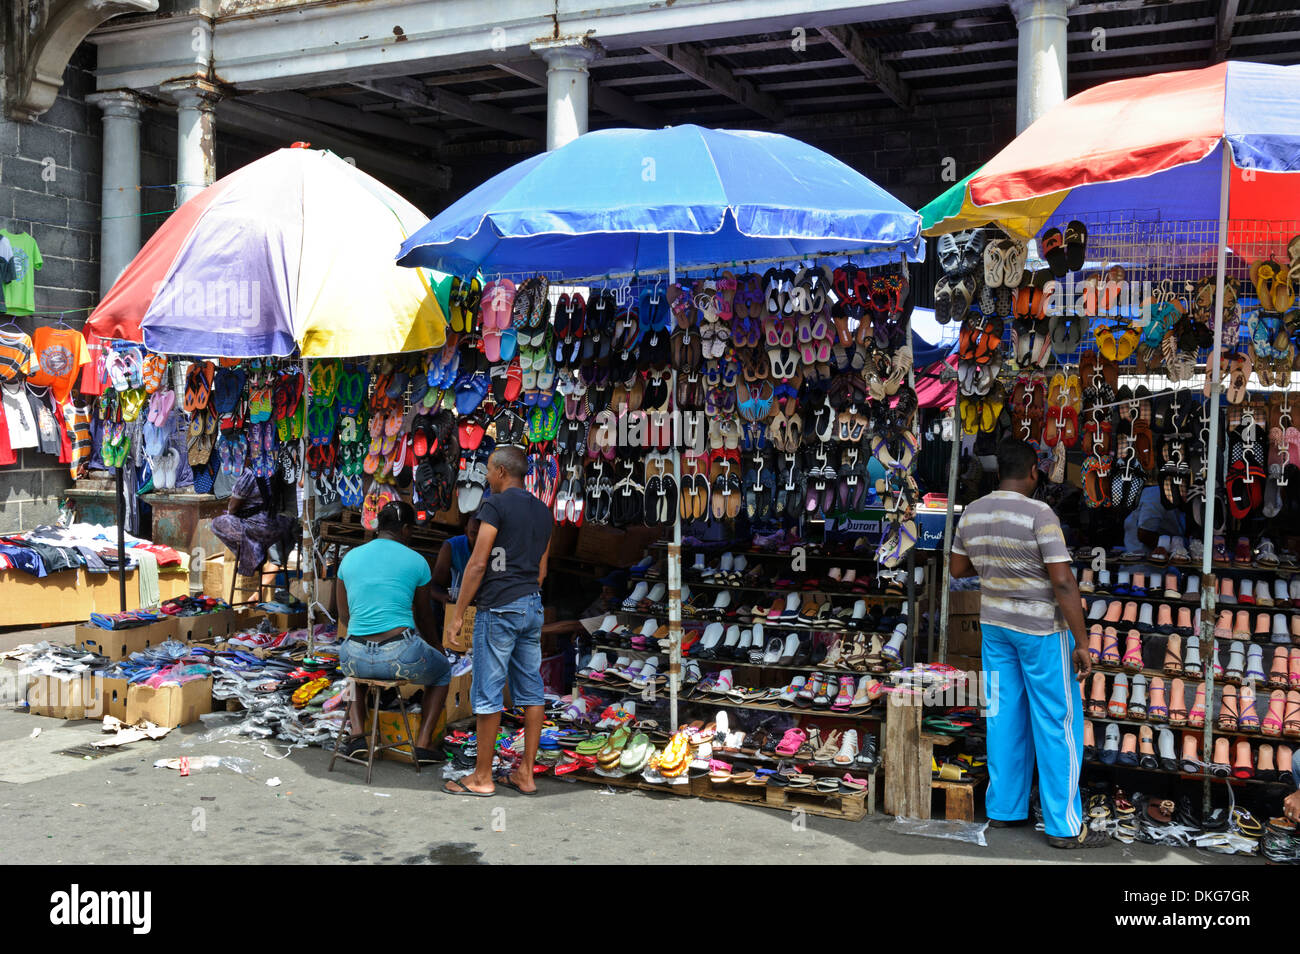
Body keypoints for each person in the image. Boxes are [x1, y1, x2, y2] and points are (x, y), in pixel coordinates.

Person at [949, 439, 1104, 849]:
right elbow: (1063, 581)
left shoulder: (975, 511)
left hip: (996, 627)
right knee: (1056, 722)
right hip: (1041, 631)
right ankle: (1064, 826)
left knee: (1004, 717)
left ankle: (1004, 809)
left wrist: (995, 562)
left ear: (1000, 472)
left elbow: (958, 567)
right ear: (1034, 472)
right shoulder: (1040, 513)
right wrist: (1083, 641)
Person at [443, 446, 553, 796]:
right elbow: (542, 571)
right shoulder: (543, 511)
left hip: (500, 607)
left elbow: (477, 563)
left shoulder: (494, 505)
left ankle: (481, 777)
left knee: (488, 693)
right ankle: (526, 774)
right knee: (532, 691)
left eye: (489, 470)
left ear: (502, 472)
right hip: (532, 606)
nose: (487, 476)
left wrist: (458, 615)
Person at [335, 500, 450, 763]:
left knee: (354, 675)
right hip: (399, 655)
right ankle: (422, 745)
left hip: (353, 655)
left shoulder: (349, 558)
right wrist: (437, 648)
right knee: (442, 670)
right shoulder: (417, 561)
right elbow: (424, 616)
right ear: (407, 529)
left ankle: (357, 735)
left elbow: (343, 615)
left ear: (378, 526)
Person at [211, 468, 298, 578]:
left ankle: (251, 555)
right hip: (283, 525)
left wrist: (231, 512)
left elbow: (233, 506)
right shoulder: (277, 469)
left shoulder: (250, 473)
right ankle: (254, 550)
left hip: (261, 526)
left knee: (217, 523)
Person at [1121, 483, 1185, 560]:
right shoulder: (1157, 494)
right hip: (1144, 564)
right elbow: (1144, 534)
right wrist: (1175, 545)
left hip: (1165, 564)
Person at [430, 514, 480, 607]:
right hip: (459, 602)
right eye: (473, 534)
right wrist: (443, 597)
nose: (478, 539)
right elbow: (434, 585)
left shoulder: (497, 549)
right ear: (466, 532)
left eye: (482, 534)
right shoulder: (452, 546)